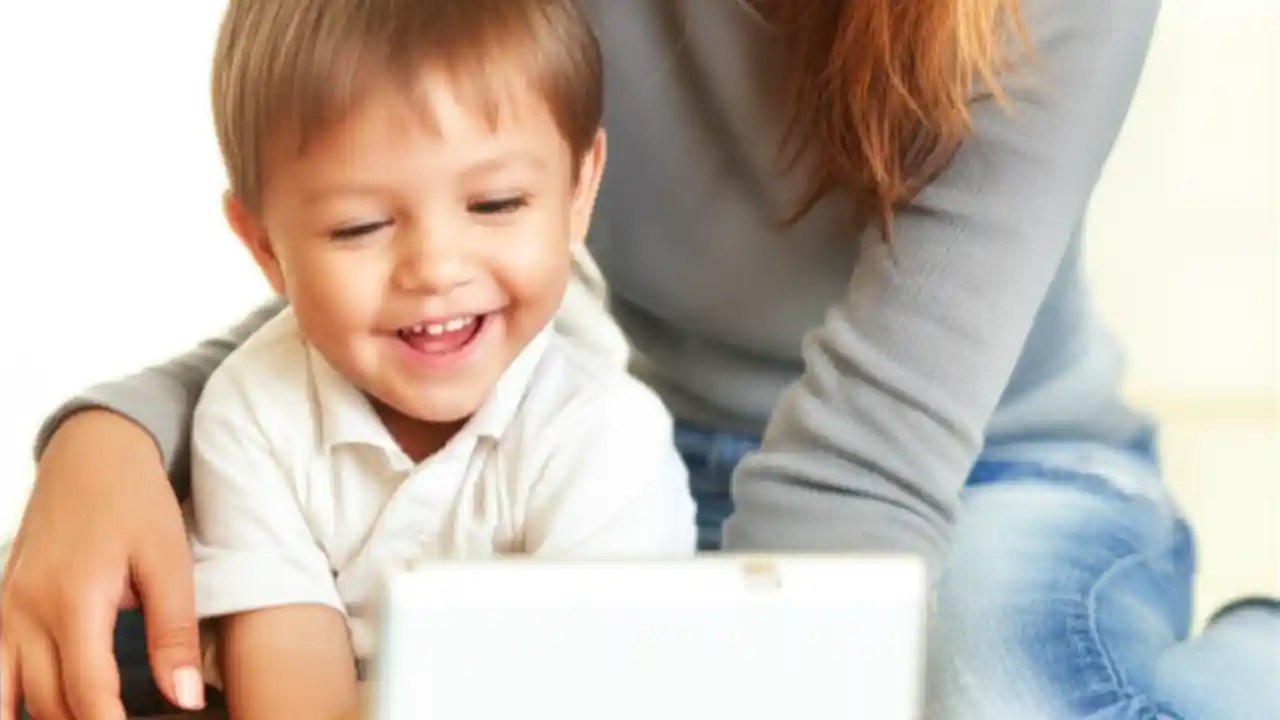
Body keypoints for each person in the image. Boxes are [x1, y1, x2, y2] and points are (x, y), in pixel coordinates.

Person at [3, 0, 1278, 718]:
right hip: (660, 459)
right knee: (112, 665)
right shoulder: (579, 430)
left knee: (989, 698)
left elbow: (864, 471)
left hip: (981, 472)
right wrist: (116, 429)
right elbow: (394, 232)